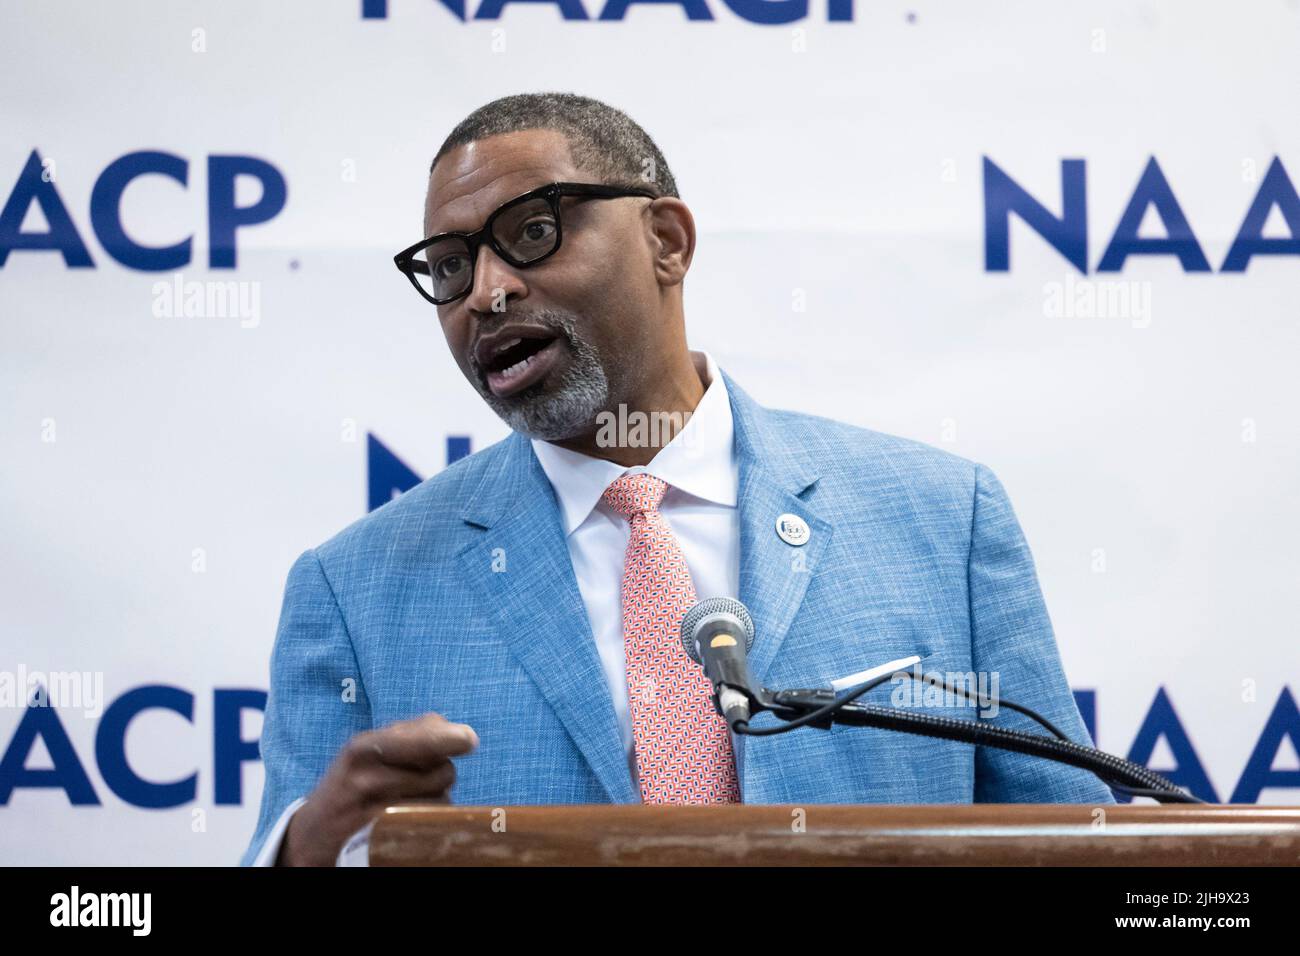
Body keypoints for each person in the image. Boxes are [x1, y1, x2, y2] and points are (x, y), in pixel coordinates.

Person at [242, 92, 1113, 867]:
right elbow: (297, 845)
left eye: (533, 233)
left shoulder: (940, 518)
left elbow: (1072, 841)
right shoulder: (353, 589)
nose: (486, 293)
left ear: (666, 240)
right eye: (450, 266)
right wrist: (307, 854)